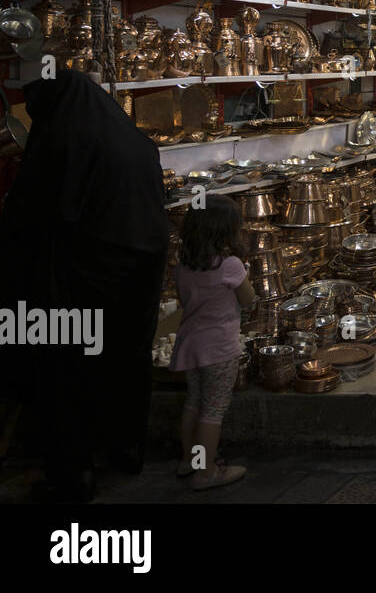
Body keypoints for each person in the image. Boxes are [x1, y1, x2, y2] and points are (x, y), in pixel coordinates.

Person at [0, 69, 169, 502]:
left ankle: (75, 474)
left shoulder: (63, 141)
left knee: (66, 374)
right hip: (137, 279)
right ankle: (126, 450)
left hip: (80, 286)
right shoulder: (132, 140)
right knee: (127, 365)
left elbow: (31, 214)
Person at [170, 194, 255, 490]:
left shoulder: (182, 267)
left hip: (189, 345)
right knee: (214, 410)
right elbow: (248, 300)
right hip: (219, 349)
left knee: (194, 403)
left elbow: (185, 303)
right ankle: (206, 472)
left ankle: (189, 460)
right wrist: (246, 277)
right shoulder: (229, 265)